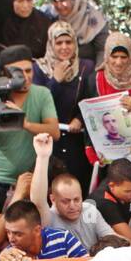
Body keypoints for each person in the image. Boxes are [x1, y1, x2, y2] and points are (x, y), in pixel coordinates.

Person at [0, 44, 59, 210]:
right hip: (1, 184)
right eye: (18, 72)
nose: (25, 77)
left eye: (29, 71)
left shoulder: (41, 93)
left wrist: (25, 123)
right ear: (4, 73)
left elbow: (54, 132)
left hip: (35, 179)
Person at [31, 20, 94, 188]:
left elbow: (90, 99)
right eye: (59, 43)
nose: (64, 47)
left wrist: (80, 119)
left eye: (69, 42)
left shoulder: (85, 67)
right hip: (50, 141)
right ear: (51, 44)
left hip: (77, 141)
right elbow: (37, 105)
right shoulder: (39, 69)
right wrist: (56, 80)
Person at [28, 134, 116, 250]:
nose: (73, 206)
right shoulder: (50, 217)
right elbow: (38, 202)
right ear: (53, 199)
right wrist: (42, 157)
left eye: (77, 199)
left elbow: (113, 239)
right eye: (66, 201)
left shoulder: (89, 209)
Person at [42, 0, 109, 65]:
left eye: (63, 0)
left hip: (87, 72)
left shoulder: (93, 19)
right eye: (55, 0)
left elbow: (102, 50)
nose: (59, 6)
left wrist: (96, 75)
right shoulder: (48, 16)